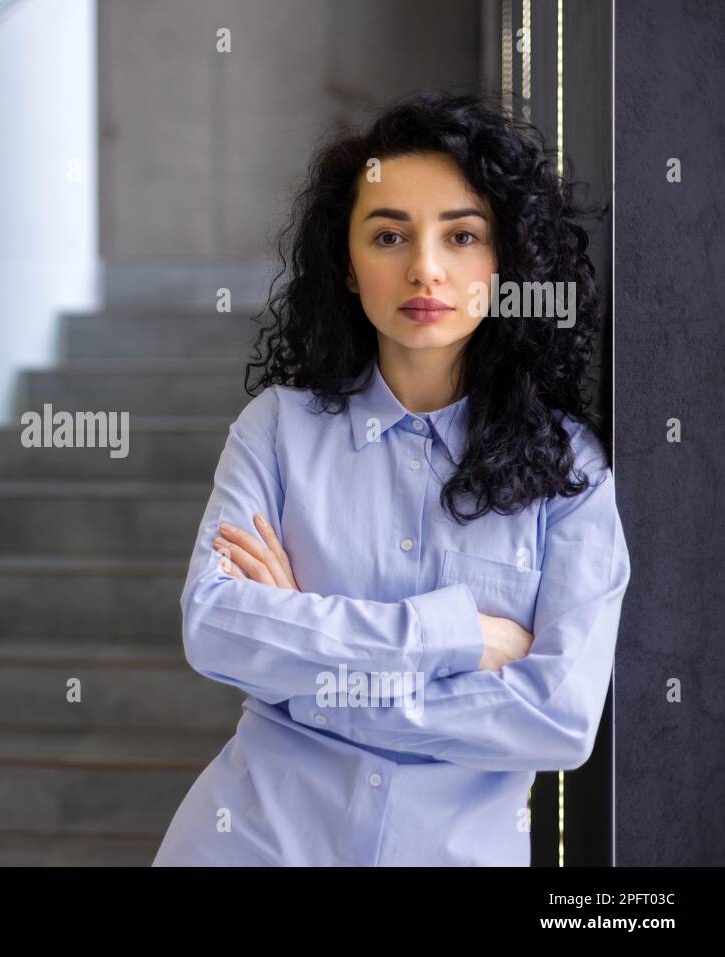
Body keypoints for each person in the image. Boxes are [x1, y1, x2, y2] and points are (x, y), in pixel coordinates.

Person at [152, 90, 630, 867]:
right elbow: (214, 623)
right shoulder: (277, 431)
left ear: (505, 261)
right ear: (346, 262)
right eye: (388, 235)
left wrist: (306, 678)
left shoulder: (567, 470)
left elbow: (557, 721)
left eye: (462, 235)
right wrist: (456, 636)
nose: (424, 268)